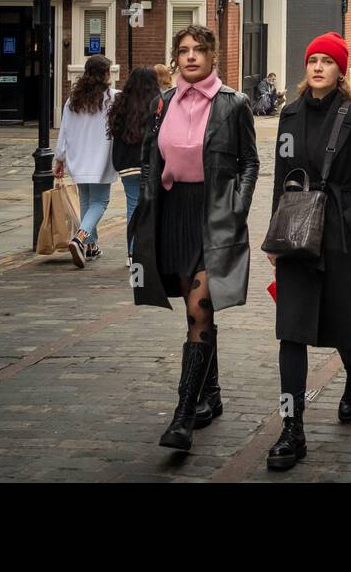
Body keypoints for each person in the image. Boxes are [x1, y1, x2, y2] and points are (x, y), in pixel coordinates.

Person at [131, 26, 258, 451]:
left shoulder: (233, 104)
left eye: (198, 51)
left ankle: (183, 416)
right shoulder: (161, 103)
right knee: (195, 312)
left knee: (199, 309)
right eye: (182, 51)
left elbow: (249, 163)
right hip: (172, 214)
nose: (189, 58)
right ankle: (212, 395)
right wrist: (146, 203)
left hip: (214, 214)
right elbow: (150, 158)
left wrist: (238, 207)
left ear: (213, 57)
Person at [266, 33, 351, 472]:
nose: (317, 67)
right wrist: (277, 235)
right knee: (290, 333)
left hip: (336, 234)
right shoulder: (290, 114)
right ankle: (291, 429)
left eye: (326, 62)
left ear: (339, 70)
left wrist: (348, 222)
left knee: (344, 327)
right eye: (312, 60)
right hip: (296, 233)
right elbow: (282, 176)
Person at [54, 54, 119, 268]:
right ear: (104, 74)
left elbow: (64, 130)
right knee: (100, 202)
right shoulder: (113, 98)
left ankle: (90, 246)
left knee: (85, 200)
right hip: (100, 158)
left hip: (78, 156)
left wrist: (60, 158)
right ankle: (80, 238)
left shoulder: (73, 100)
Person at [105, 65, 160, 266]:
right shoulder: (159, 104)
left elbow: (116, 134)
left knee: (133, 207)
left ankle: (132, 253)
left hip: (128, 164)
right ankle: (149, 252)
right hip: (151, 164)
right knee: (152, 208)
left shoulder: (121, 103)